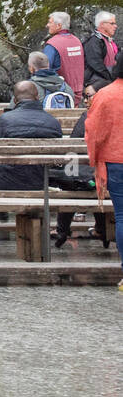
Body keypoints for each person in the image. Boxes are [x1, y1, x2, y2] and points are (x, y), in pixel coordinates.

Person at [0, 80, 64, 250]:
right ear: (37, 97)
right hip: (41, 181)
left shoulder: (5, 120)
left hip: (7, 180)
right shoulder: (52, 121)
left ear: (15, 99)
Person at [54, 92, 109, 250]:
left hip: (86, 171)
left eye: (89, 96)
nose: (85, 100)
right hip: (103, 171)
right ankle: (103, 229)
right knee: (93, 186)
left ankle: (62, 230)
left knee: (72, 182)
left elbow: (73, 145)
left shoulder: (88, 116)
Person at [85, 74, 123, 287]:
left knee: (122, 215)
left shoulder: (106, 95)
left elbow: (94, 132)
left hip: (116, 160)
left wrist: (95, 158)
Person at [42, 12, 85, 104]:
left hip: (60, 95)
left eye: (50, 22)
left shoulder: (53, 44)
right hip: (78, 92)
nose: (47, 25)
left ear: (59, 25)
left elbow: (44, 70)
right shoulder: (76, 41)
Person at [83, 10, 119, 96]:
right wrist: (111, 78)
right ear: (102, 24)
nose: (115, 26)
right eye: (112, 23)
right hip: (96, 83)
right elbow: (96, 64)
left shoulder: (108, 41)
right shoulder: (94, 42)